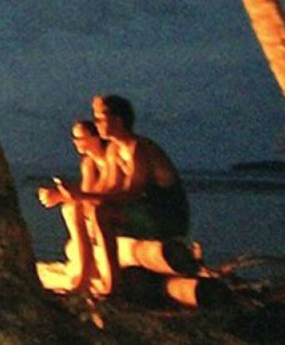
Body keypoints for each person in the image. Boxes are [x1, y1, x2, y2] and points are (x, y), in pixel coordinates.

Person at [88, 93, 196, 293]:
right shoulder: (113, 150)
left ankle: (114, 283)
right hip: (143, 212)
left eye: (100, 118)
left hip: (165, 216)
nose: (96, 123)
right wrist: (75, 197)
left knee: (101, 213)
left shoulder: (141, 148)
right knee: (92, 210)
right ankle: (94, 272)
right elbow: (108, 188)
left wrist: (87, 198)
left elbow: (131, 192)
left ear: (118, 119)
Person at [35, 118, 117, 292]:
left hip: (114, 213)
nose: (76, 143)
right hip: (97, 212)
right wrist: (59, 196)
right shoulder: (89, 163)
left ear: (96, 138)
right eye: (75, 138)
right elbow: (85, 196)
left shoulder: (111, 160)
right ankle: (84, 271)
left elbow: (104, 195)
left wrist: (64, 196)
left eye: (81, 138)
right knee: (72, 210)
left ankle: (86, 276)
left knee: (73, 211)